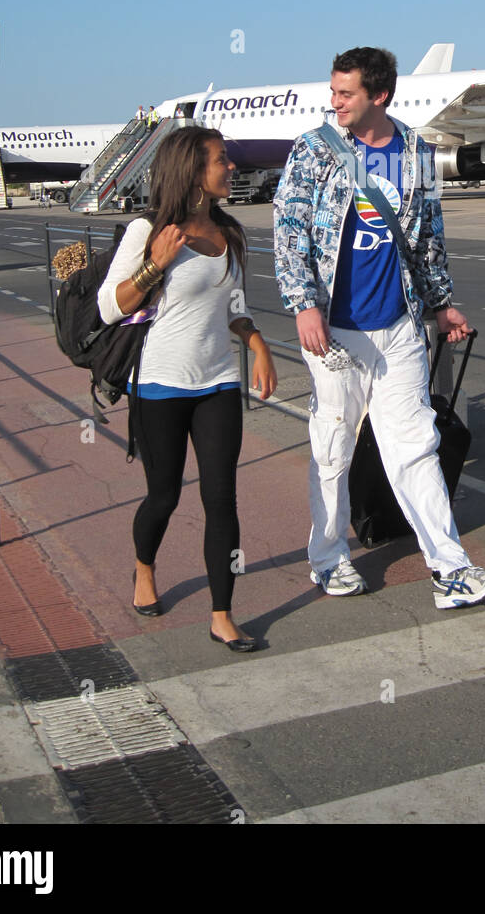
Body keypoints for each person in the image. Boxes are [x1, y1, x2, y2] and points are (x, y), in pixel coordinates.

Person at [273, 46, 485, 609]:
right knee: (333, 450)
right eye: (332, 91)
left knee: (416, 448)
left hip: (398, 327)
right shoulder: (314, 150)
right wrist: (305, 304)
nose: (334, 103)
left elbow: (427, 239)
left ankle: (451, 571)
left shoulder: (417, 152)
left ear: (380, 95)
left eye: (345, 93)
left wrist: (441, 304)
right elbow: (289, 231)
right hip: (335, 332)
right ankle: (328, 559)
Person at [98, 126, 277, 649]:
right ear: (194, 171)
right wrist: (157, 261)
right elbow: (112, 307)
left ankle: (222, 615)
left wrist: (258, 343)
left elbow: (234, 308)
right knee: (164, 496)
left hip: (218, 384)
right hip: (158, 387)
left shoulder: (231, 233)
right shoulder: (147, 229)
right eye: (222, 160)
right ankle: (144, 569)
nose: (231, 169)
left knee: (223, 500)